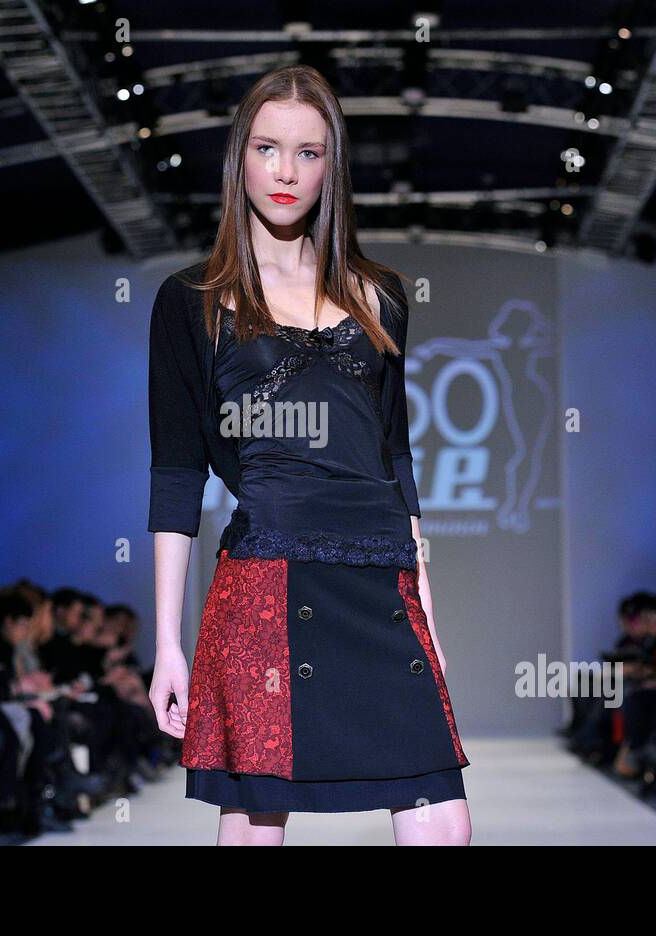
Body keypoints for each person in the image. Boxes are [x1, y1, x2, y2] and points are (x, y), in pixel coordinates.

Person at [146, 65, 471, 846]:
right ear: (239, 159)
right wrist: (163, 641)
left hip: (378, 575)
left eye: (308, 152)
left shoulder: (380, 293)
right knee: (258, 822)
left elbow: (396, 450)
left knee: (444, 822)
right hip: (267, 576)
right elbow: (177, 472)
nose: (286, 172)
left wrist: (424, 593)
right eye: (267, 148)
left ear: (333, 165)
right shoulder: (191, 301)